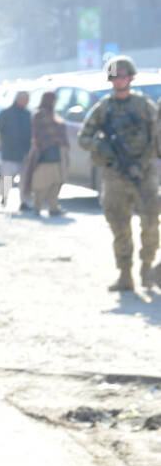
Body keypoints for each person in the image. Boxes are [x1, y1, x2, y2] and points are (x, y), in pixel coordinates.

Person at [78, 55, 159, 291]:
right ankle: (125, 274)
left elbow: (156, 136)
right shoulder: (104, 108)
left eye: (123, 76)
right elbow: (84, 137)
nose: (118, 80)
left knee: (151, 222)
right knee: (119, 225)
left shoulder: (144, 106)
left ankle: (146, 268)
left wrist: (142, 163)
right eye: (114, 76)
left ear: (131, 77)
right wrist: (101, 147)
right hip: (115, 176)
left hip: (144, 174)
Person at [23, 91, 69, 217]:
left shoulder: (53, 114)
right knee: (41, 183)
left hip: (55, 154)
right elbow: (43, 133)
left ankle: (53, 207)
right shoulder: (39, 114)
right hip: (43, 154)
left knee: (56, 182)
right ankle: (37, 206)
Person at [0, 91, 33, 210]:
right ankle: (4, 198)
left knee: (25, 181)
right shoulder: (6, 114)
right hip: (9, 153)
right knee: (7, 179)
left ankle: (24, 202)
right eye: (24, 99)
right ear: (17, 99)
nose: (25, 102)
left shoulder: (28, 115)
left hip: (24, 154)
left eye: (27, 99)